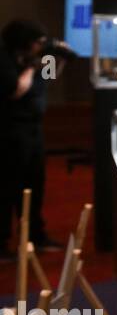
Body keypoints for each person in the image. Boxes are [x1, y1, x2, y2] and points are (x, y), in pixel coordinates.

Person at [1, 19, 65, 257]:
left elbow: (50, 77)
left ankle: (35, 237)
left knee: (35, 183)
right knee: (9, 186)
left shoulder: (36, 58)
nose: (40, 46)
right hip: (10, 131)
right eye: (38, 43)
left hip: (34, 129)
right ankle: (3, 242)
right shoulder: (6, 60)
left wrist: (57, 58)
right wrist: (30, 67)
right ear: (25, 43)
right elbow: (15, 90)